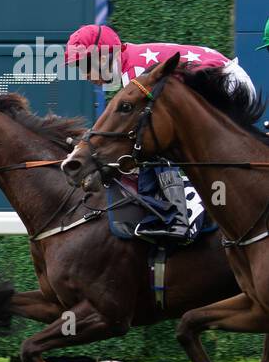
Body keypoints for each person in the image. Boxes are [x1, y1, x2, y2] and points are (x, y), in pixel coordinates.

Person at [64, 24, 257, 242]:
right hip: (223, 73)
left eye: (86, 66)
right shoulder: (129, 63)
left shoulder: (133, 73)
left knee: (149, 142)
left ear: (104, 57)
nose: (85, 75)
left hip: (226, 80)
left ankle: (180, 215)